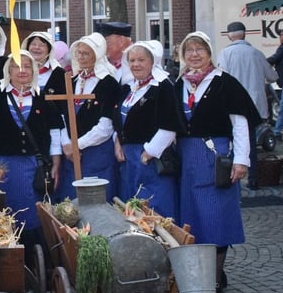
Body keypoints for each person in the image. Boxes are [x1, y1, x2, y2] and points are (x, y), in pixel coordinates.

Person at [174, 31, 257, 293]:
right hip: (188, 161)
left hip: (215, 158)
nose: (194, 54)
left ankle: (214, 280)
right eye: (189, 50)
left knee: (215, 220)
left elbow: (240, 123)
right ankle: (200, 275)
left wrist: (241, 159)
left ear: (209, 52)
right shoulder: (179, 84)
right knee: (193, 220)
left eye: (200, 49)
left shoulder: (224, 83)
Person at [0, 51, 65, 257]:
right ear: (8, 70)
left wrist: (56, 164)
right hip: (0, 167)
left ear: (34, 70)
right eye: (16, 66)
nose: (22, 70)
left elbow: (55, 134)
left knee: (32, 214)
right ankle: (7, 258)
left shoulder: (43, 99)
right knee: (4, 214)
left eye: (27, 66)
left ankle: (33, 260)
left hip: (33, 167)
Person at [114, 41, 186, 218]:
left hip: (152, 158)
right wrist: (118, 142)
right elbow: (119, 120)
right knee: (132, 207)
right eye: (132, 60)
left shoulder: (162, 87)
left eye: (141, 60)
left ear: (152, 62)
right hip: (129, 159)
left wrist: (148, 153)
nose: (135, 64)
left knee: (153, 208)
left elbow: (170, 125)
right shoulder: (129, 88)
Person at [54, 33, 121, 203]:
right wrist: (66, 144)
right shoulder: (71, 80)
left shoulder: (108, 83)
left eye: (86, 53)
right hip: (70, 154)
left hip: (96, 153)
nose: (81, 57)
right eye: (79, 53)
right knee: (70, 204)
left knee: (96, 204)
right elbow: (61, 117)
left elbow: (106, 126)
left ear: (97, 56)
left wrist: (77, 145)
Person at [217, 21, 278, 189]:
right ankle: (253, 178)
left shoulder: (225, 54)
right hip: (255, 105)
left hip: (232, 104)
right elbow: (272, 76)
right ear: (245, 34)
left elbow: (221, 78)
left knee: (233, 139)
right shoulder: (256, 53)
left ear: (230, 35)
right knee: (250, 141)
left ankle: (229, 175)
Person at [21, 31, 67, 96]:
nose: (36, 47)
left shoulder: (59, 73)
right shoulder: (19, 70)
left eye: (41, 45)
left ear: (49, 50)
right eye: (33, 44)